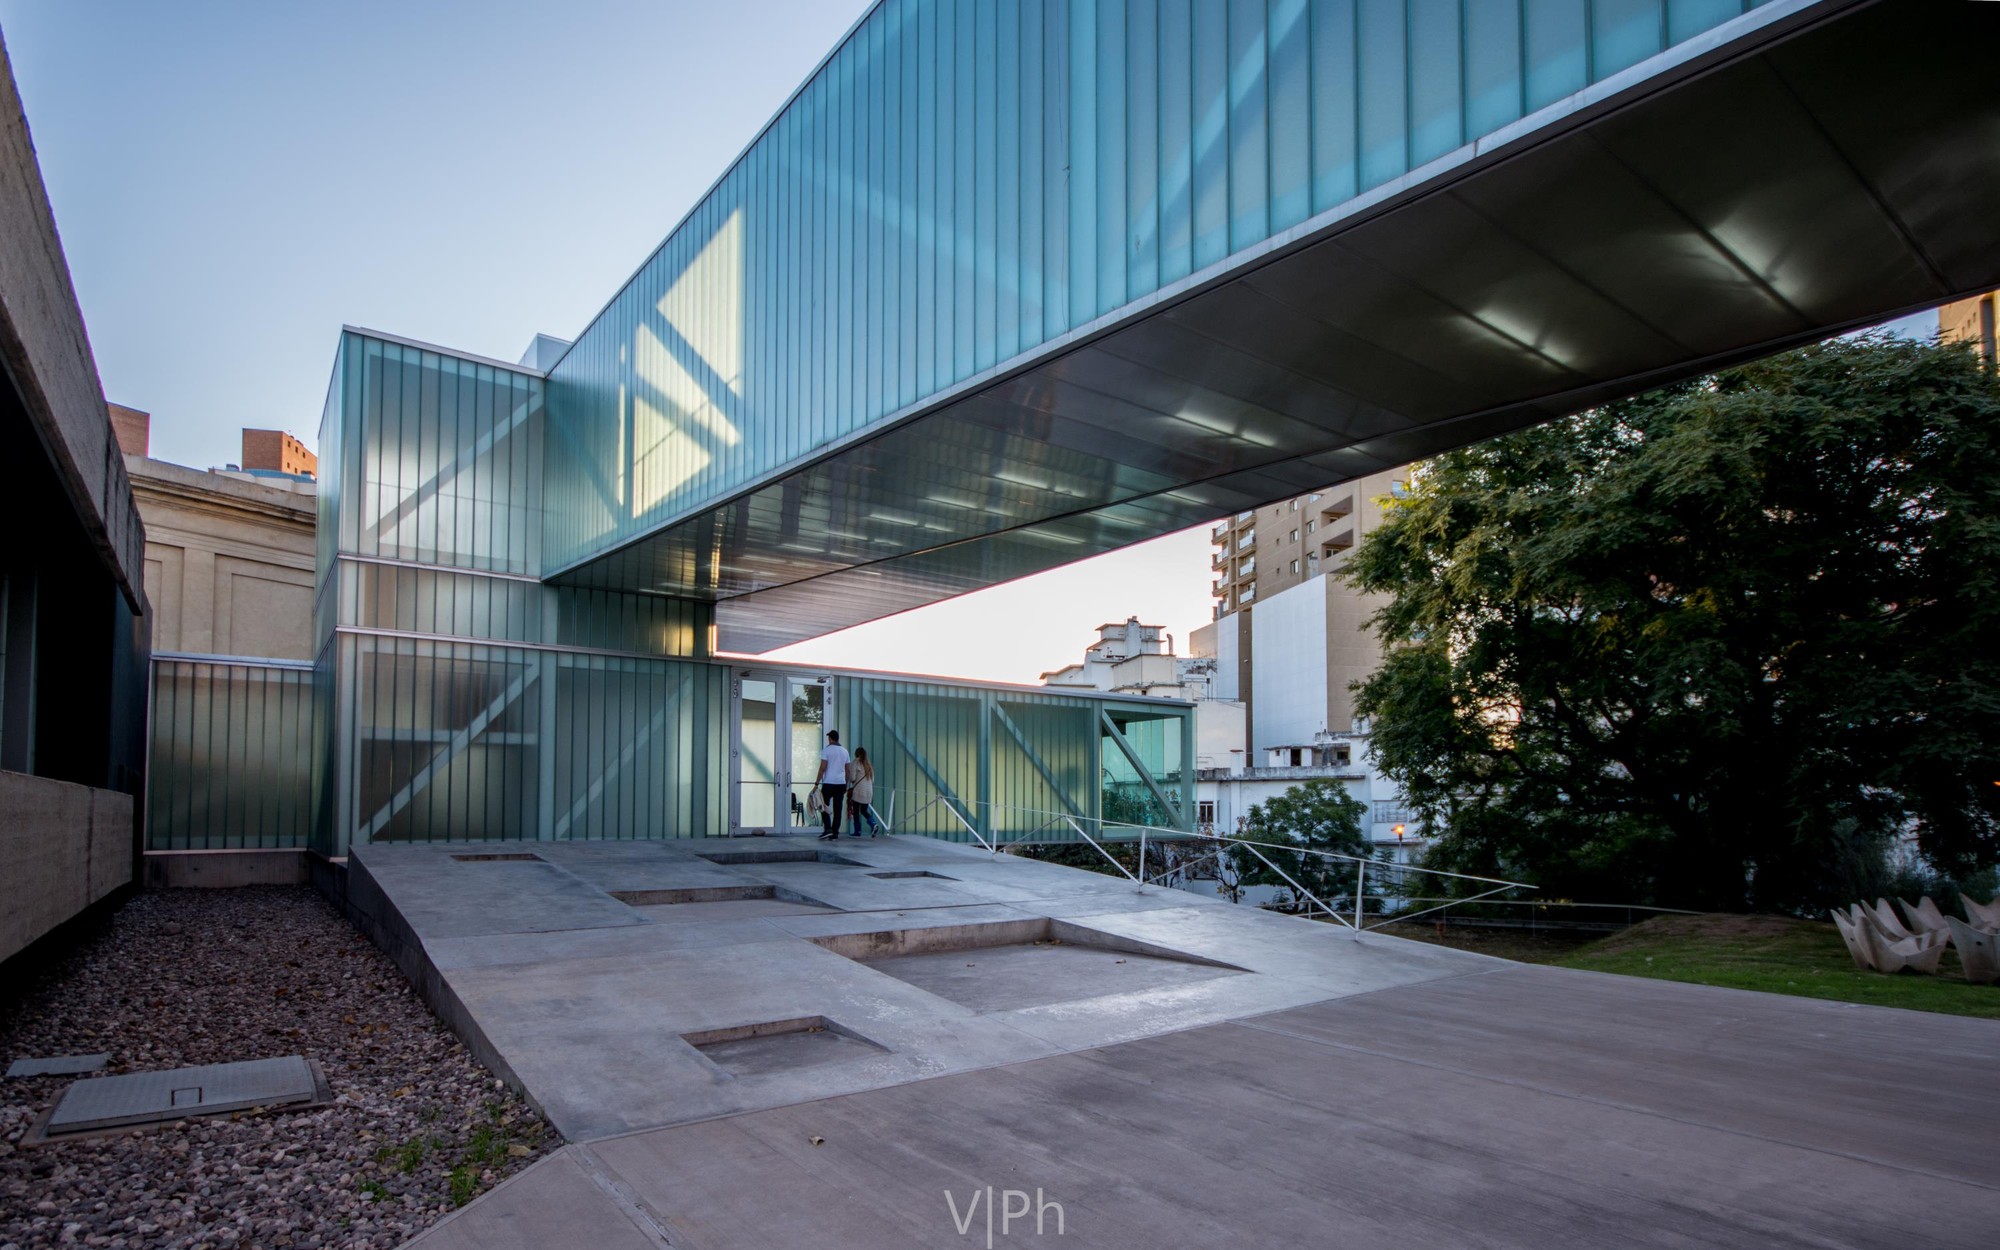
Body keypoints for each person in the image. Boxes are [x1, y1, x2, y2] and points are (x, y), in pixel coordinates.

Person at [815, 730, 849, 841]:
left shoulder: (827, 750)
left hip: (828, 783)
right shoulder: (845, 751)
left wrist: (816, 783)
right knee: (838, 809)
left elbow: (822, 768)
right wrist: (846, 784)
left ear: (830, 739)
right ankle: (835, 833)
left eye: (828, 738)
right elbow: (847, 770)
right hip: (841, 784)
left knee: (823, 806)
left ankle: (828, 829)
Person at [846, 747, 884, 837]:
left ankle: (857, 832)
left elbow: (852, 778)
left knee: (856, 811)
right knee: (863, 810)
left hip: (858, 791)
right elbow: (873, 779)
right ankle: (873, 824)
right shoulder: (868, 764)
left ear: (856, 754)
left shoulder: (855, 762)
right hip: (868, 791)